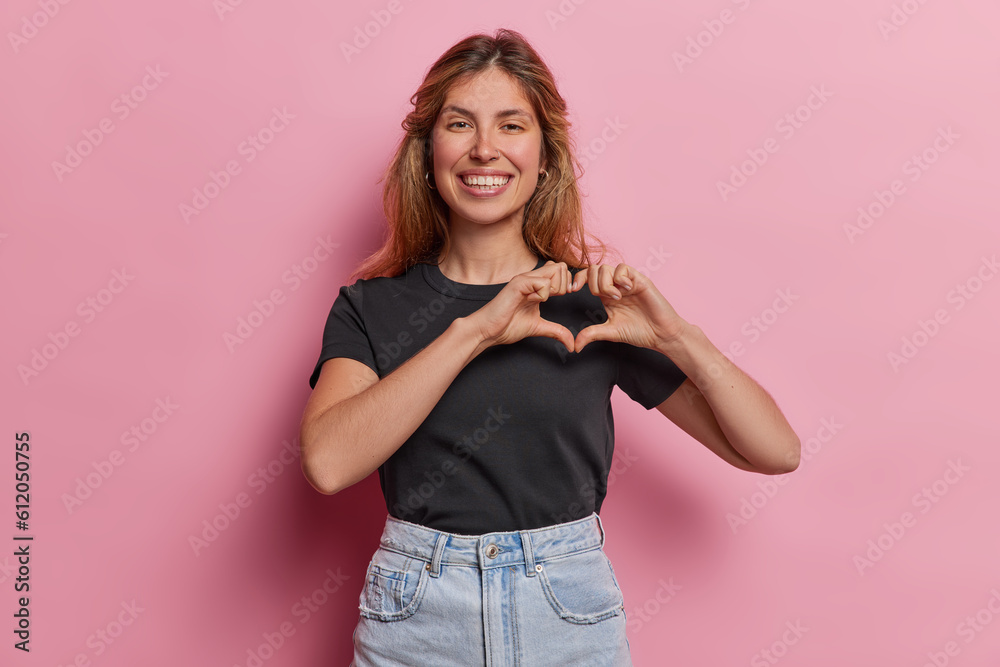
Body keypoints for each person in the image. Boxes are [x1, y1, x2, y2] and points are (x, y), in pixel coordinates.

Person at [299, 28, 800, 667]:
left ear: (545, 157)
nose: (484, 150)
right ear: (427, 152)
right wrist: (477, 330)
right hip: (417, 617)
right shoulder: (370, 307)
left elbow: (775, 452)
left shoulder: (591, 308)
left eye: (511, 126)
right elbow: (328, 463)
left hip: (566, 611)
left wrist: (680, 339)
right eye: (460, 124)